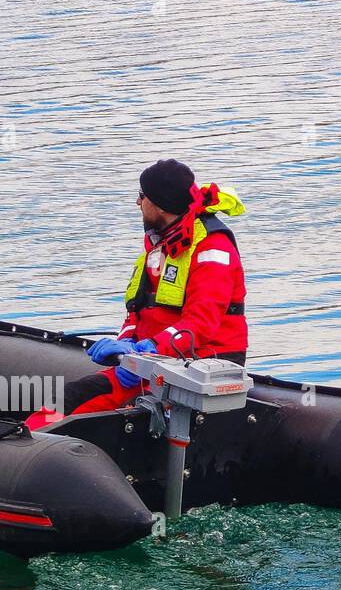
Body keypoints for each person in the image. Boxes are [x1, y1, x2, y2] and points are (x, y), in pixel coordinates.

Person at [26, 159, 247, 429]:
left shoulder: (213, 249)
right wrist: (126, 344)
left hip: (201, 364)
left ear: (158, 203)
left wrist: (149, 349)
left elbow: (201, 323)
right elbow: (138, 309)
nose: (137, 202)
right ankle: (29, 442)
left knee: (73, 404)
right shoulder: (163, 241)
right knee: (68, 399)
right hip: (156, 361)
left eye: (142, 196)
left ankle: (26, 449)